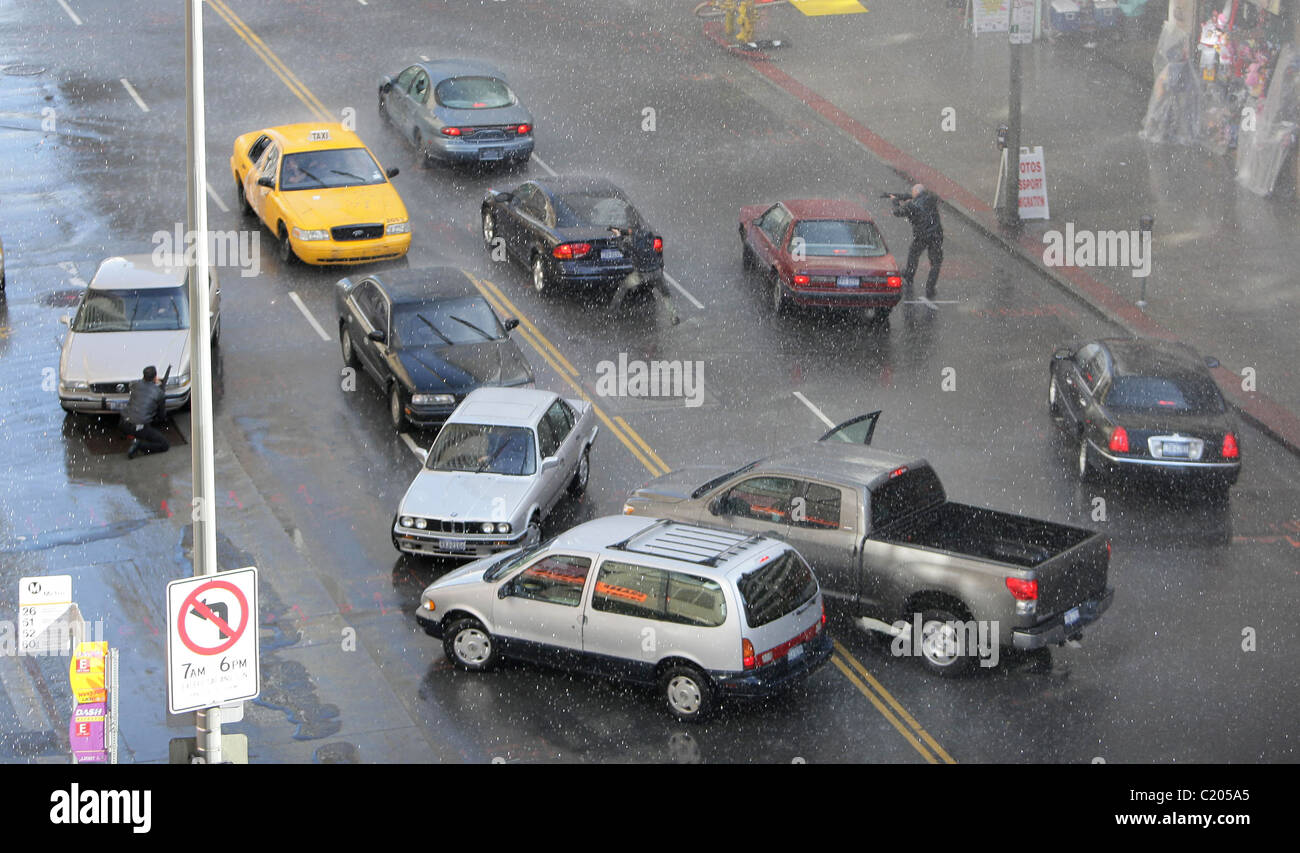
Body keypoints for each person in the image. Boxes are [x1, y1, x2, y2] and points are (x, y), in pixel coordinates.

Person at [606, 226, 680, 325]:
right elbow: (633, 232)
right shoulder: (648, 235)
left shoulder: (632, 244)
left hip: (641, 274)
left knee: (623, 287)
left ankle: (612, 312)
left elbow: (622, 249)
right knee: (665, 293)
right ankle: (674, 317)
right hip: (656, 272)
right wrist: (621, 230)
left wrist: (619, 236)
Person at [891, 184, 944, 298]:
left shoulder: (912, 205)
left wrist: (895, 201)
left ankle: (909, 275)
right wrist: (908, 197)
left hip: (922, 235)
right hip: (936, 234)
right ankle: (930, 288)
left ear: (915, 193)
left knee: (913, 253)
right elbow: (924, 198)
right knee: (935, 263)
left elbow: (897, 212)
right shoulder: (930, 198)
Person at [121, 366, 170, 459]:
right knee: (164, 445)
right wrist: (160, 390)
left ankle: (129, 435)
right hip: (139, 427)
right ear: (155, 377)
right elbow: (162, 416)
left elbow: (140, 387)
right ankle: (139, 445)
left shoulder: (134, 385)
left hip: (123, 423)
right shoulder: (159, 393)